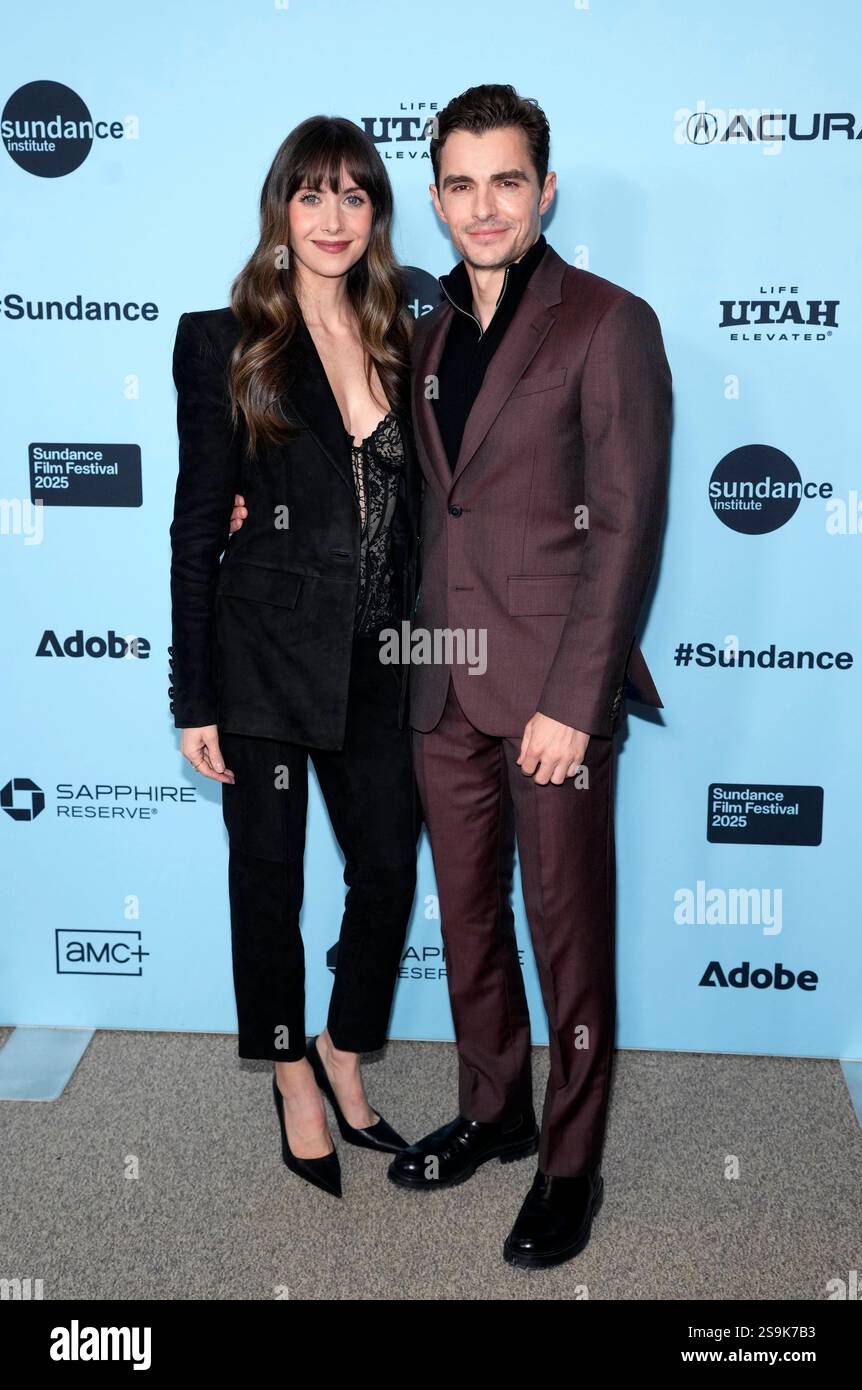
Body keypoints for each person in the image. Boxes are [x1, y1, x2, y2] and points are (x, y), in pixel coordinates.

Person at [230, 83, 672, 1267]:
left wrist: (576, 704)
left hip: (550, 698)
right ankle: (497, 1111)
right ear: (431, 202)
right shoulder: (422, 339)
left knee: (564, 932)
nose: (484, 206)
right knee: (468, 921)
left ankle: (569, 1167)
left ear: (544, 190)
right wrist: (250, 515)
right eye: (462, 185)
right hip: (439, 687)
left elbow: (625, 527)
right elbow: (396, 494)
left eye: (508, 181)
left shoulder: (606, 322)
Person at [169, 115, 422, 1199]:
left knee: (385, 867)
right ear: (281, 210)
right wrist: (194, 694)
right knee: (266, 882)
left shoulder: (412, 333)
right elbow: (192, 527)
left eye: (353, 196)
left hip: (385, 654)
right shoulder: (222, 338)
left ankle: (345, 1049)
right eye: (310, 195)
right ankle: (291, 1074)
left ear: (376, 215)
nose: (331, 217)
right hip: (263, 653)